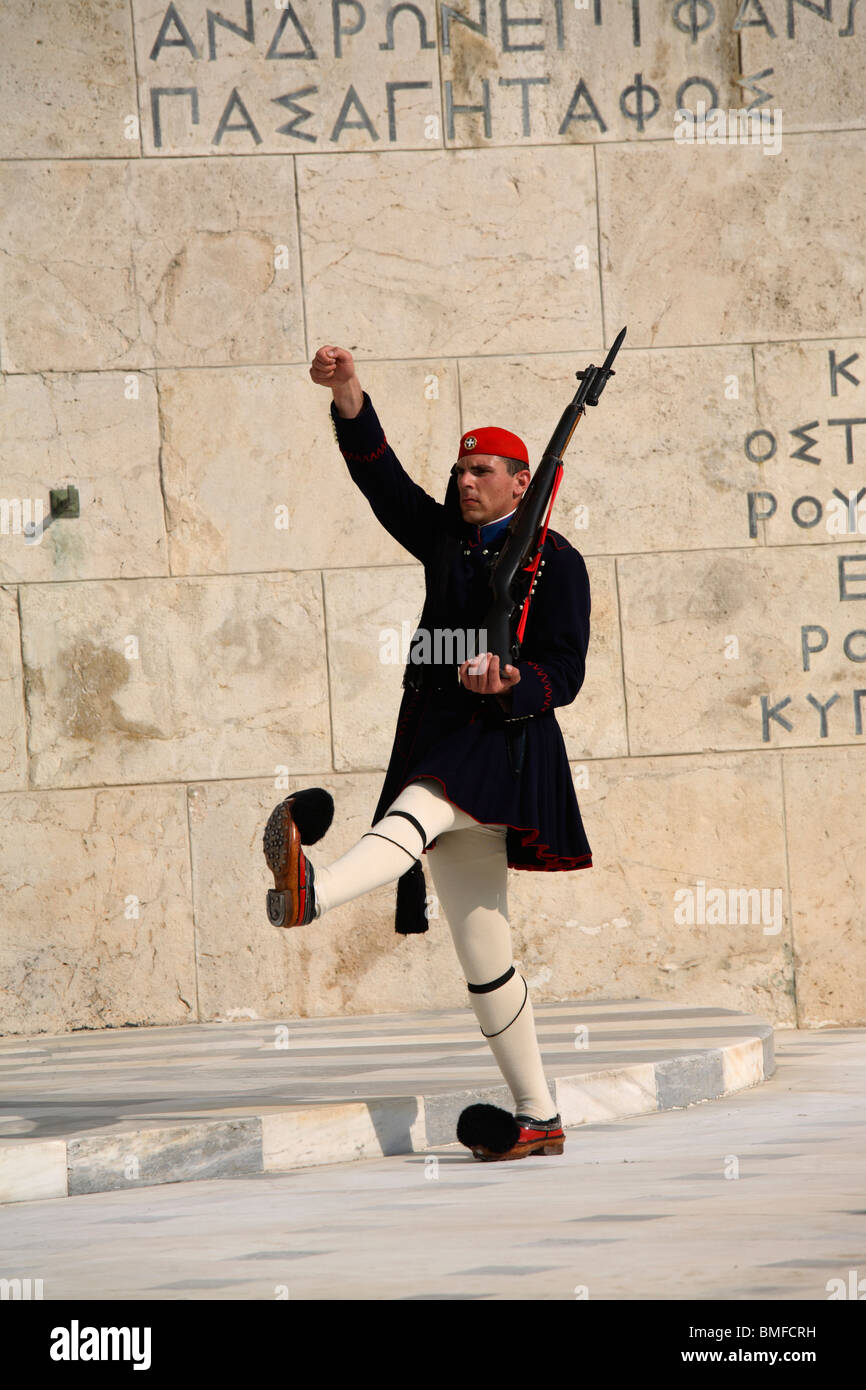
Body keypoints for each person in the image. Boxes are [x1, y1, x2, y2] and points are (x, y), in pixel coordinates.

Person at [262, 345, 593, 1162]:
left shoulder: (562, 565)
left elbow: (566, 671)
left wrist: (508, 680)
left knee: (417, 811)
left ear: (524, 482)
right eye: (460, 471)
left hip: (503, 745)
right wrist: (349, 393)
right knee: (484, 955)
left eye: (482, 471)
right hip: (440, 731)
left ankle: (314, 892)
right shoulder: (448, 541)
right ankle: (540, 1115)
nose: (465, 482)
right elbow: (382, 480)